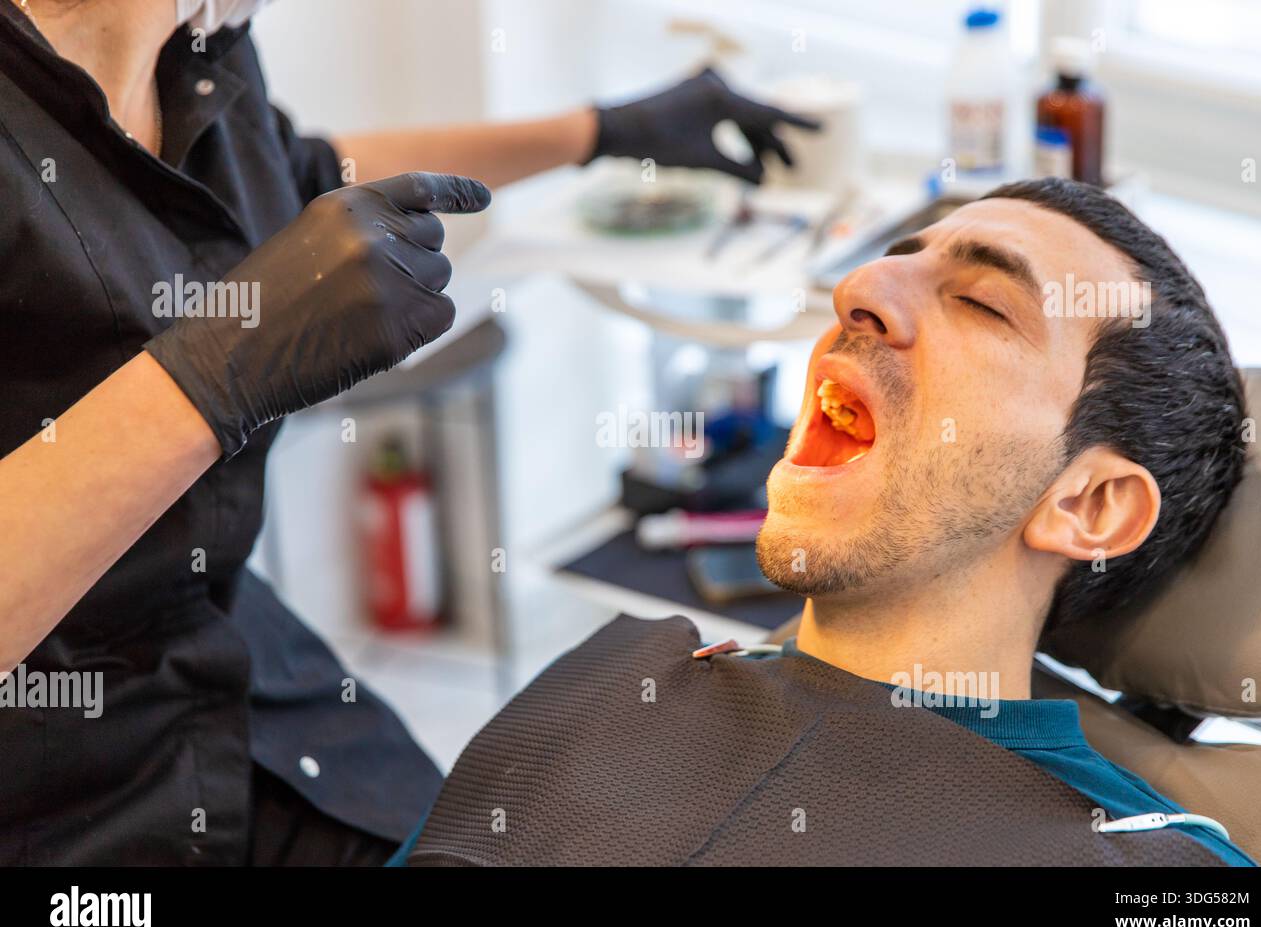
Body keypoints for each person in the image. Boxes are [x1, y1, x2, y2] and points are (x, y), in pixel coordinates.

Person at [0, 0, 817, 865]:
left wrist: (601, 133)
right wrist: (209, 380)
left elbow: (305, 177)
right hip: (60, 786)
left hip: (245, 677)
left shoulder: (198, 48)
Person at [406, 177, 1256, 866]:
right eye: (895, 259)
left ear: (1088, 505)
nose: (857, 288)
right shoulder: (615, 676)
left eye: (984, 303)